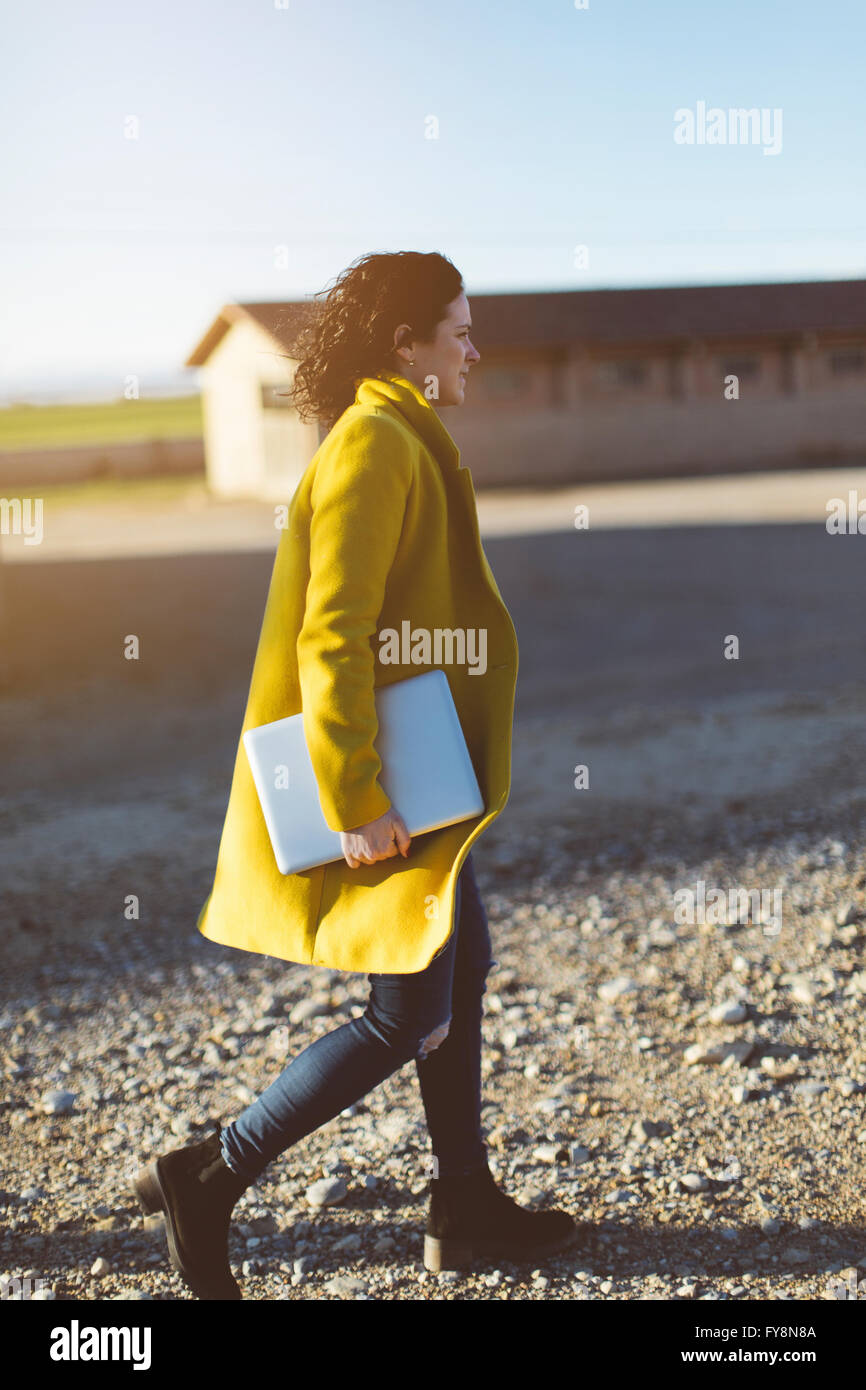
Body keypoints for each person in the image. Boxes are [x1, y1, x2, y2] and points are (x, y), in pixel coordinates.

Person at [132, 251, 584, 1299]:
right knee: (405, 1011)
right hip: (390, 778)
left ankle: (462, 1199)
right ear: (405, 345)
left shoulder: (396, 436)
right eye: (459, 332)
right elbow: (329, 634)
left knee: (458, 964)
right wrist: (355, 796)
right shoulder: (377, 444)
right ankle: (210, 1174)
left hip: (426, 772)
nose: (473, 350)